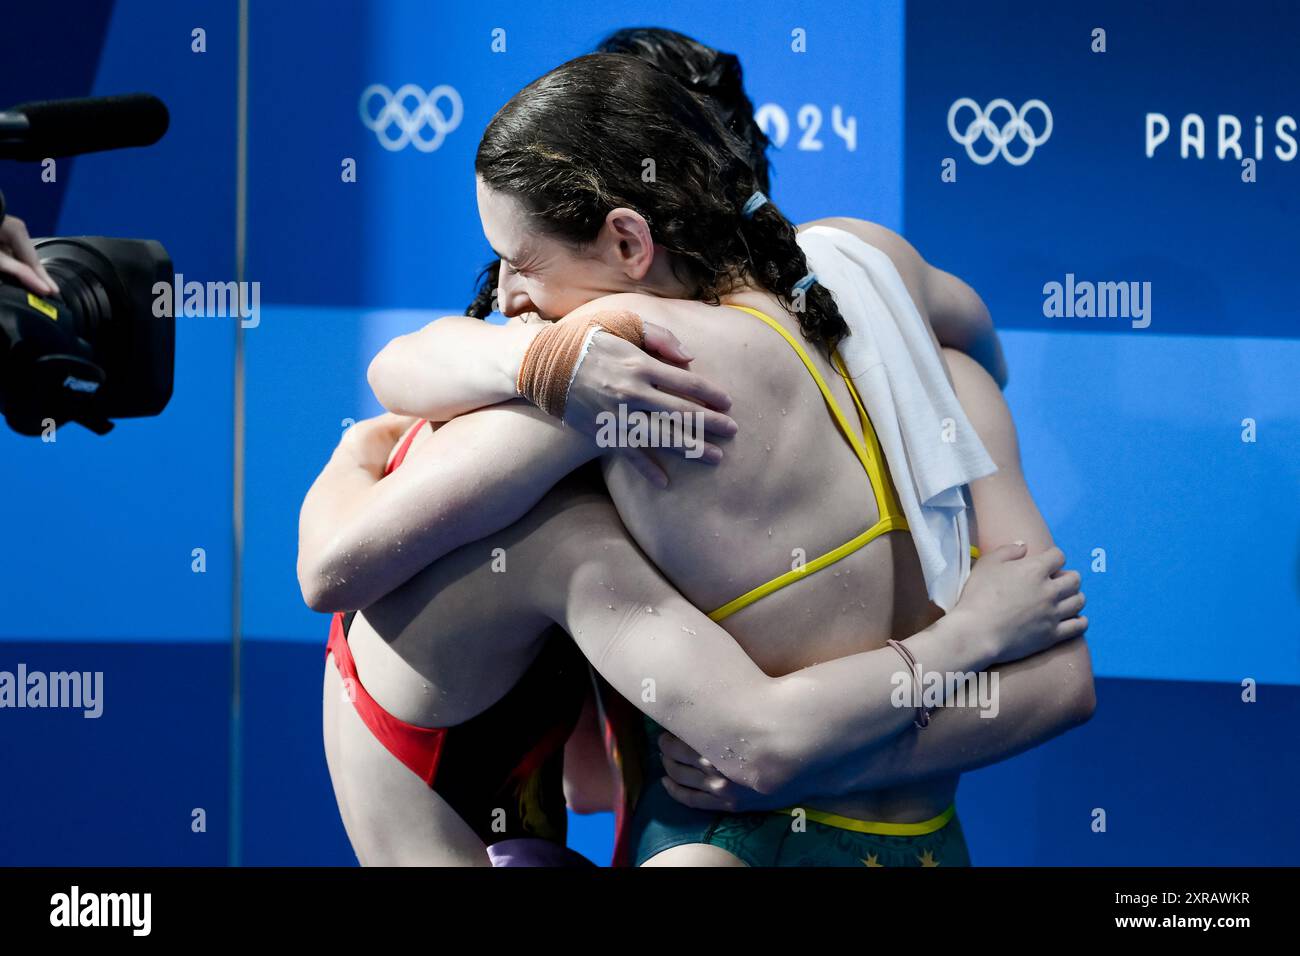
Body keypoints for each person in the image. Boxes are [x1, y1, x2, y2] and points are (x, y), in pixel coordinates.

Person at [301, 52, 1094, 866]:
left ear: (628, 238)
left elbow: (334, 564)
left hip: (722, 838)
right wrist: (961, 630)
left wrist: (524, 371)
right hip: (928, 841)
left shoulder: (629, 374)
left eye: (523, 262)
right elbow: (981, 345)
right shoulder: (882, 288)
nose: (506, 301)